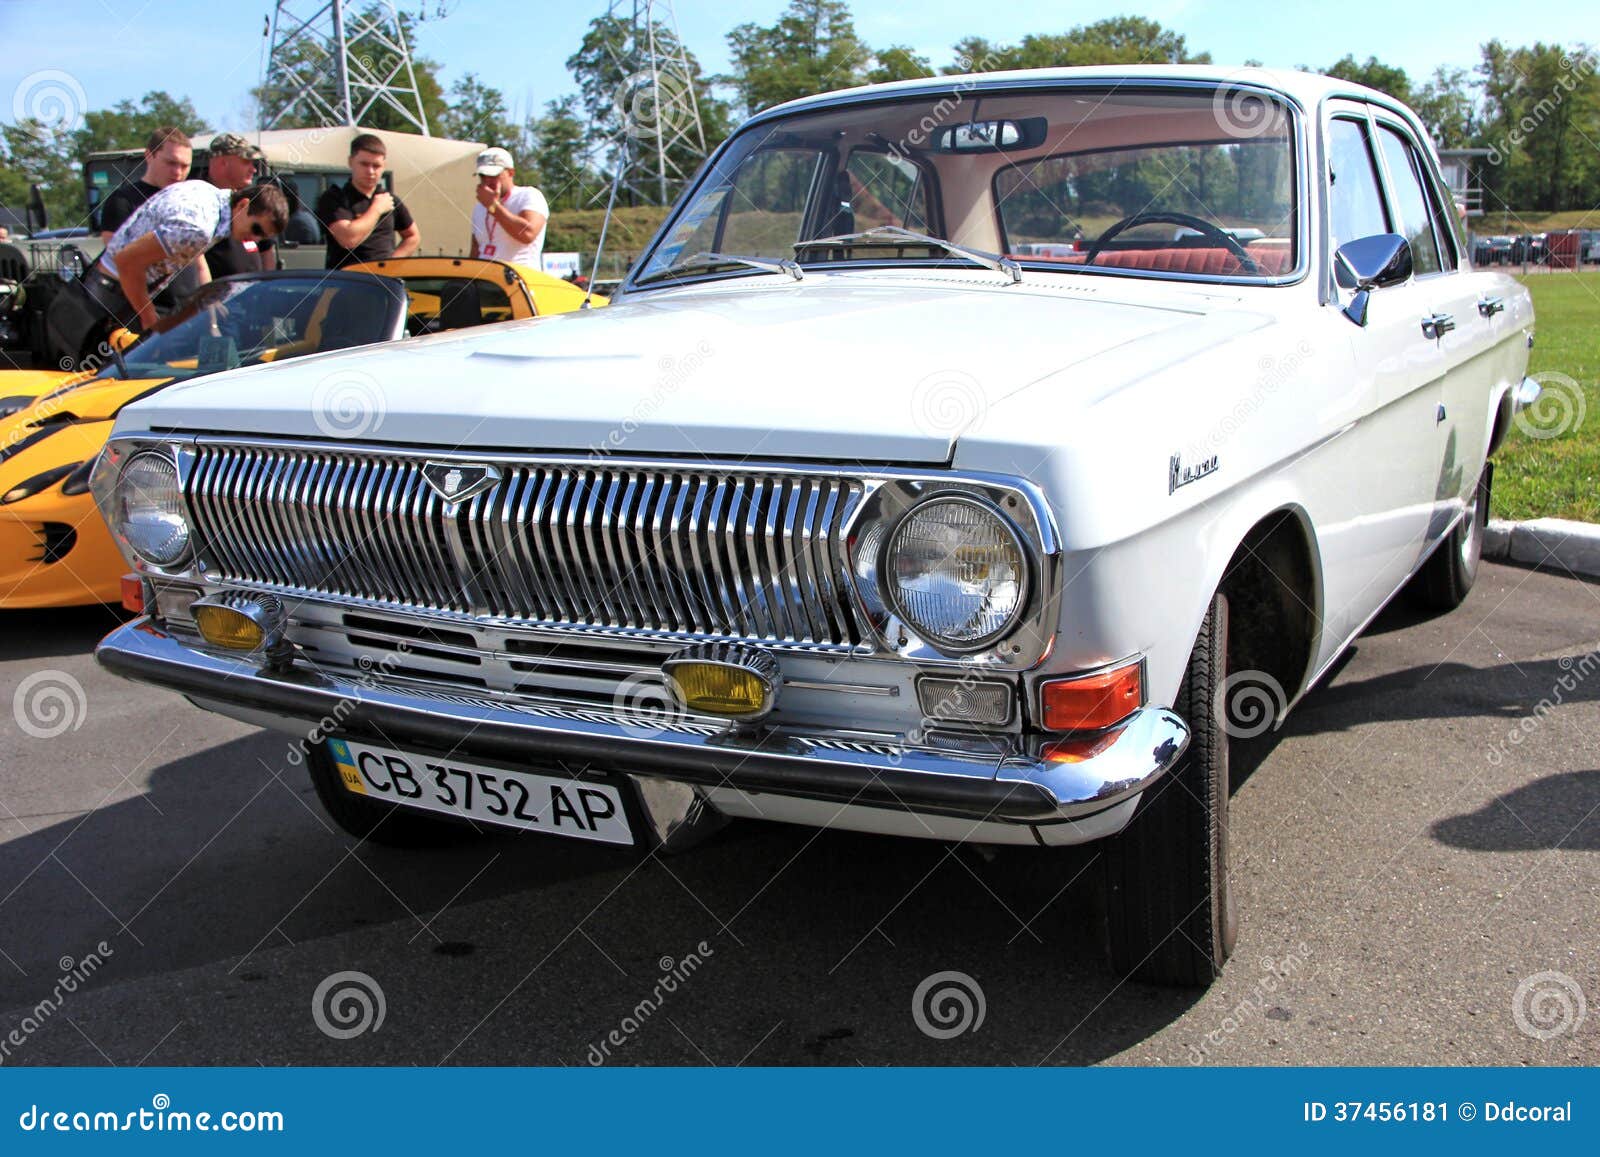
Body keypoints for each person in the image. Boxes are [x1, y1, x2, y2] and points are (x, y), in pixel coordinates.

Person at [45, 182, 288, 371]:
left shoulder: (208, 195)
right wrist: (151, 323)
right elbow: (127, 263)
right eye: (256, 229)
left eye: (262, 237)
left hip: (105, 292)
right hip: (109, 303)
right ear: (243, 205)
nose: (254, 239)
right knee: (100, 386)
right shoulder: (198, 227)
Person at [316, 132, 418, 268]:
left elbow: (412, 236)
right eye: (364, 164)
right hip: (347, 282)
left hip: (383, 283)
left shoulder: (389, 199)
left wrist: (390, 264)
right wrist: (377, 209)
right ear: (350, 162)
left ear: (384, 166)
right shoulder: (334, 198)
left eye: (376, 166)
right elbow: (348, 239)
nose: (370, 171)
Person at [201, 133, 277, 277]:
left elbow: (266, 251)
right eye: (245, 162)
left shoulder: (253, 202)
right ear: (222, 162)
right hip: (214, 296)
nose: (253, 169)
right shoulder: (198, 201)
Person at [97, 126, 192, 240]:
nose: (178, 172)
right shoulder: (122, 201)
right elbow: (116, 254)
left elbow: (196, 252)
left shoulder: (189, 203)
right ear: (149, 156)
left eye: (185, 166)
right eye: (171, 163)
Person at [468, 147, 549, 267]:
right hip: (486, 281)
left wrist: (493, 206)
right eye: (483, 175)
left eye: (493, 175)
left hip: (518, 279)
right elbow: (476, 249)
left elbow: (527, 234)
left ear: (511, 173)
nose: (487, 180)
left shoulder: (529, 195)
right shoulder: (480, 207)